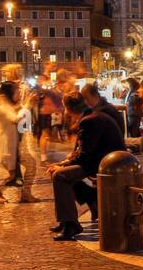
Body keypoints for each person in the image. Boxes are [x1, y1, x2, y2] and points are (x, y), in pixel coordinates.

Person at [46, 93, 123, 241]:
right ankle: (87, 202)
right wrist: (63, 162)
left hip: (105, 163)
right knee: (59, 171)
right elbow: (82, 150)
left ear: (68, 109)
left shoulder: (89, 121)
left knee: (60, 176)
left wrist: (63, 165)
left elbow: (85, 155)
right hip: (101, 159)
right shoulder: (92, 116)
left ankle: (71, 224)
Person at [0, 80, 27, 203]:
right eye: (17, 92)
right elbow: (16, 119)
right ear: (10, 93)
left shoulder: (5, 105)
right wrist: (27, 105)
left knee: (16, 174)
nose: (19, 94)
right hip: (5, 146)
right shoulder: (3, 106)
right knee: (12, 175)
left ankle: (24, 195)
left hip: (9, 145)